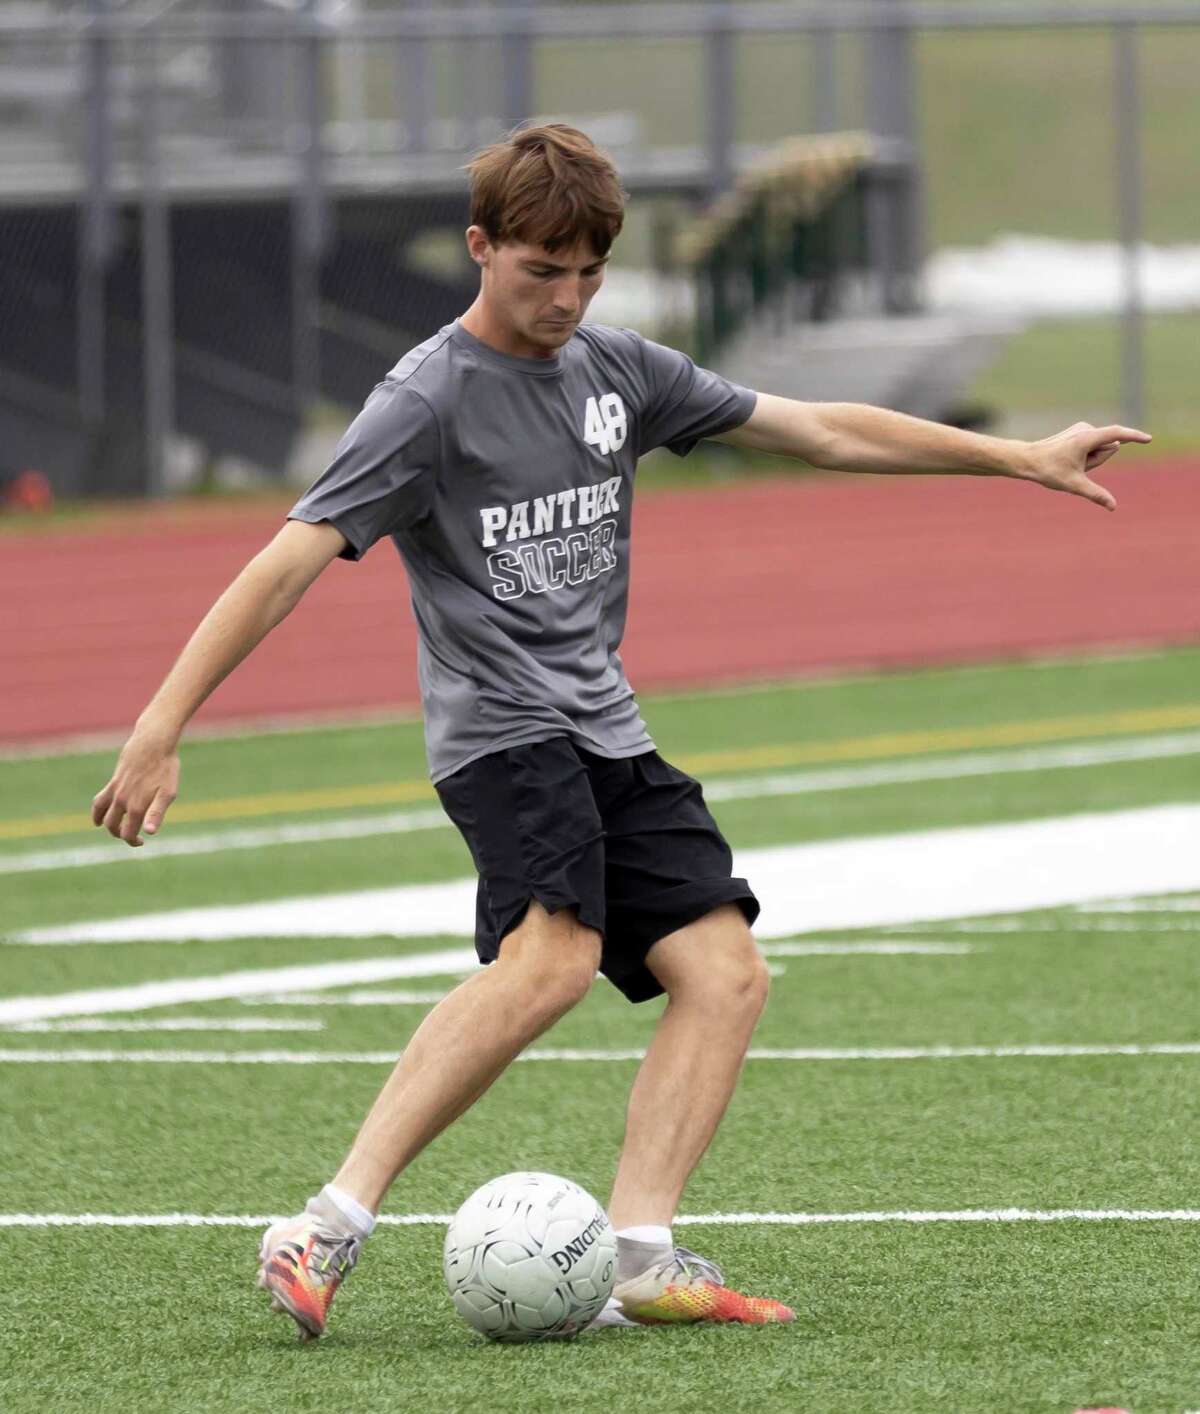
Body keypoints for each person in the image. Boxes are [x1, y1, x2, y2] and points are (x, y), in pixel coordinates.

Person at [91, 123, 1150, 1342]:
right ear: (480, 247)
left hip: (606, 726)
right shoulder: (423, 401)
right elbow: (286, 562)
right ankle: (323, 1227)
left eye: (589, 272)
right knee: (551, 960)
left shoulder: (616, 371)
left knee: (725, 970)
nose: (567, 298)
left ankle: (642, 1256)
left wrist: (1021, 456)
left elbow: (818, 430)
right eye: (542, 270)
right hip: (501, 736)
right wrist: (161, 724)